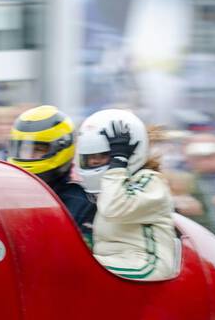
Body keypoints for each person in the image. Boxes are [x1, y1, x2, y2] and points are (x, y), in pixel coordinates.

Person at [75, 108, 178, 281]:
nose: (93, 161)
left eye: (103, 155)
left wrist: (118, 162)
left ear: (127, 154)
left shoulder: (151, 182)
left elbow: (114, 209)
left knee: (74, 272)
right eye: (89, 156)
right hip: (116, 262)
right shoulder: (109, 187)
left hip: (146, 265)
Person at [6, 104, 94, 237]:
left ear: (62, 148)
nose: (29, 156)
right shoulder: (6, 194)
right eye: (24, 149)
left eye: (39, 149)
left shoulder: (80, 200)